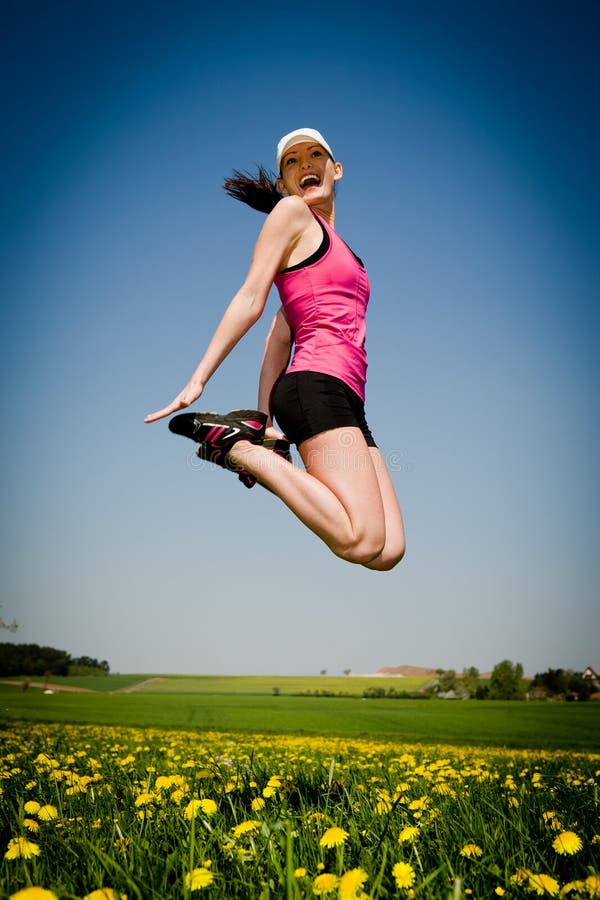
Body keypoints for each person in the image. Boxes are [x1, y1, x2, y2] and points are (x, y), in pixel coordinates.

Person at [145, 128, 405, 570]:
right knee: (360, 542)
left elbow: (281, 332)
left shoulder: (345, 253)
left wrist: (263, 420)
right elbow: (251, 298)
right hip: (314, 384)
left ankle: (251, 443)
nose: (305, 164)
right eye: (292, 161)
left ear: (335, 169)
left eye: (315, 154)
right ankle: (235, 448)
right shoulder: (290, 214)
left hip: (349, 398)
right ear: (284, 184)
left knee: (388, 550)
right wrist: (198, 378)